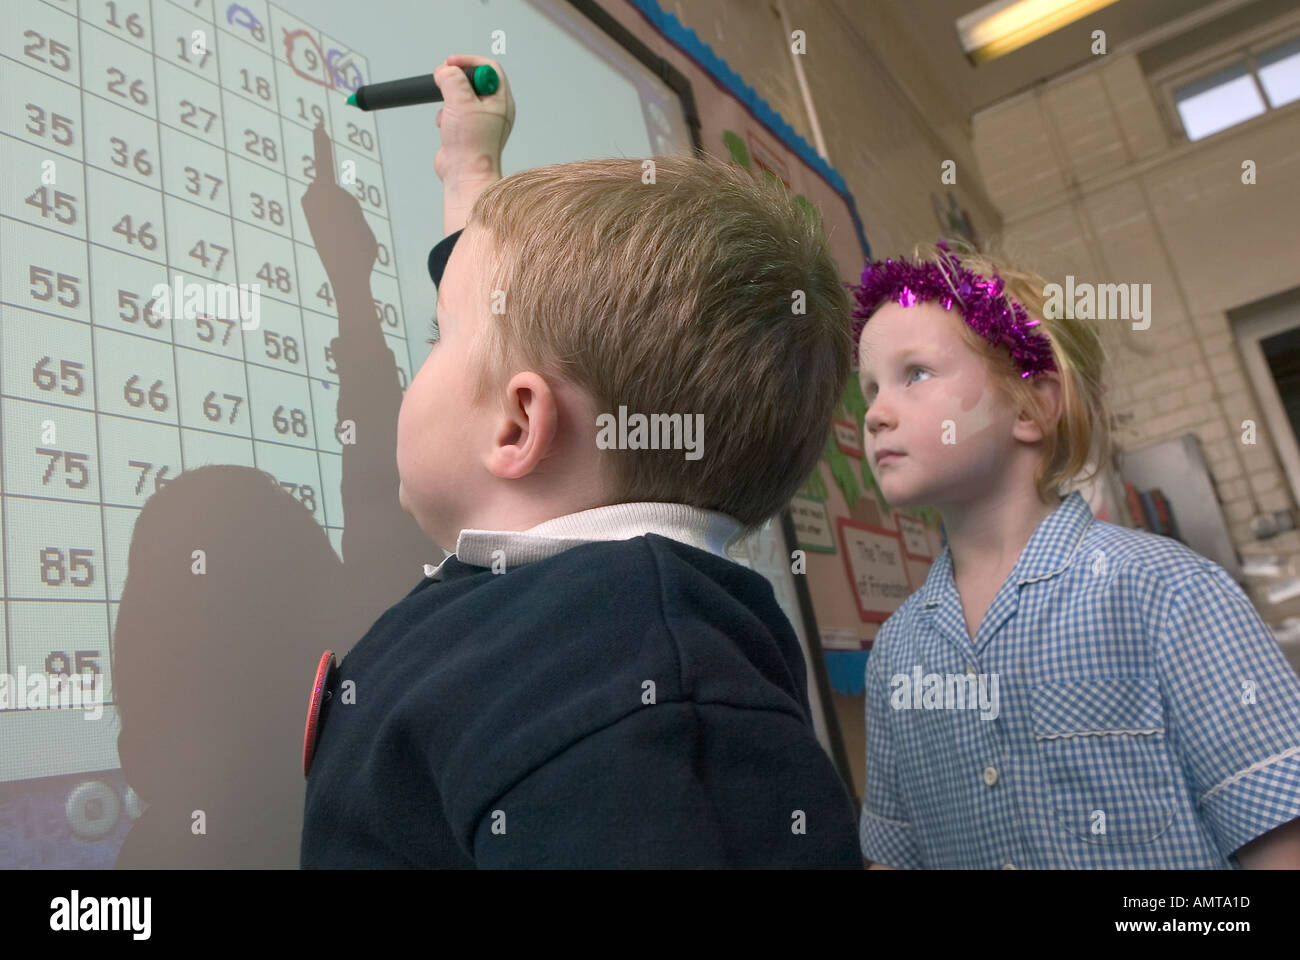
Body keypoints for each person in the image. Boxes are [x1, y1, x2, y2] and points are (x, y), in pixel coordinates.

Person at [299, 55, 862, 867]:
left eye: (435, 337)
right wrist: (468, 166)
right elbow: (504, 310)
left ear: (517, 424)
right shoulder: (591, 622)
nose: (425, 360)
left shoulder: (649, 692)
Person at [854, 239, 1300, 869]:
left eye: (916, 374)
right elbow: (894, 859)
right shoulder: (896, 654)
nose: (875, 414)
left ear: (1033, 406)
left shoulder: (1170, 595)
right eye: (870, 388)